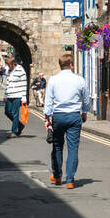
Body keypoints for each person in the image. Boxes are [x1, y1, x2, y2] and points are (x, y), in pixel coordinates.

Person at [44, 52, 90, 188]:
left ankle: (57, 176)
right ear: (71, 65)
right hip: (74, 116)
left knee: (57, 146)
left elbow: (48, 101)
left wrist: (47, 117)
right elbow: (86, 100)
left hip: (58, 116)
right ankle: (70, 180)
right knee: (73, 149)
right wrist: (85, 112)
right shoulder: (79, 80)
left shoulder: (53, 80)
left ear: (60, 65)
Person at [3, 53, 28, 136]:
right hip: (9, 95)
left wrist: (24, 98)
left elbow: (24, 84)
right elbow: (8, 84)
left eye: (9, 64)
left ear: (14, 63)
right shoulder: (10, 71)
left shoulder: (21, 70)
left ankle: (14, 132)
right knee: (7, 112)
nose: (8, 66)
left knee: (15, 113)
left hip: (17, 95)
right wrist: (5, 96)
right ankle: (20, 125)